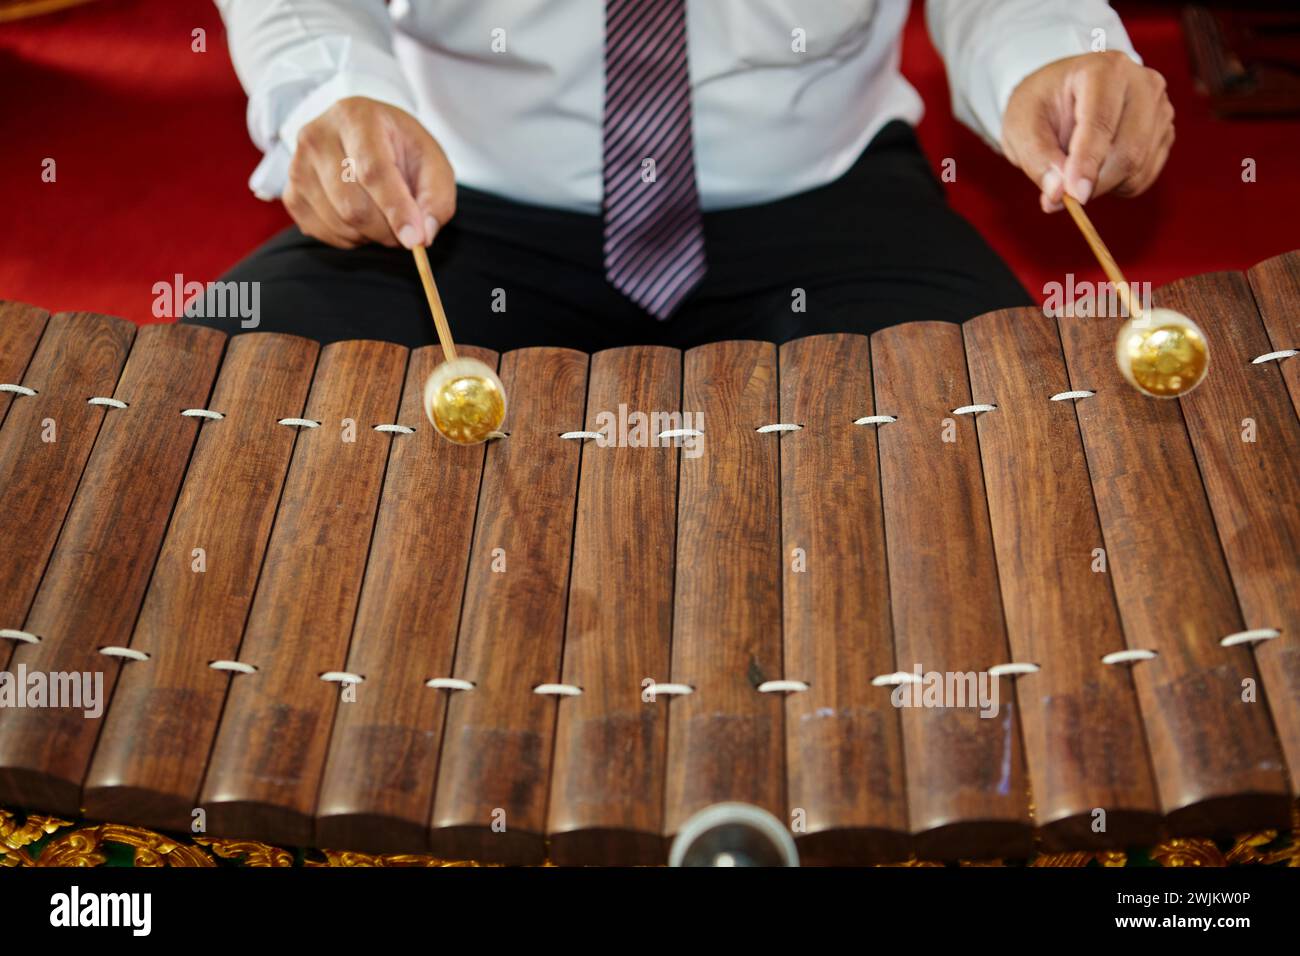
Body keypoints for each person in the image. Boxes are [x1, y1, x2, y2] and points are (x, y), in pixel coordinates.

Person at [190, 0, 1175, 353]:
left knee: (997, 445)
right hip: (453, 196)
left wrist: (1057, 55)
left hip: (821, 194)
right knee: (216, 415)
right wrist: (331, 96)